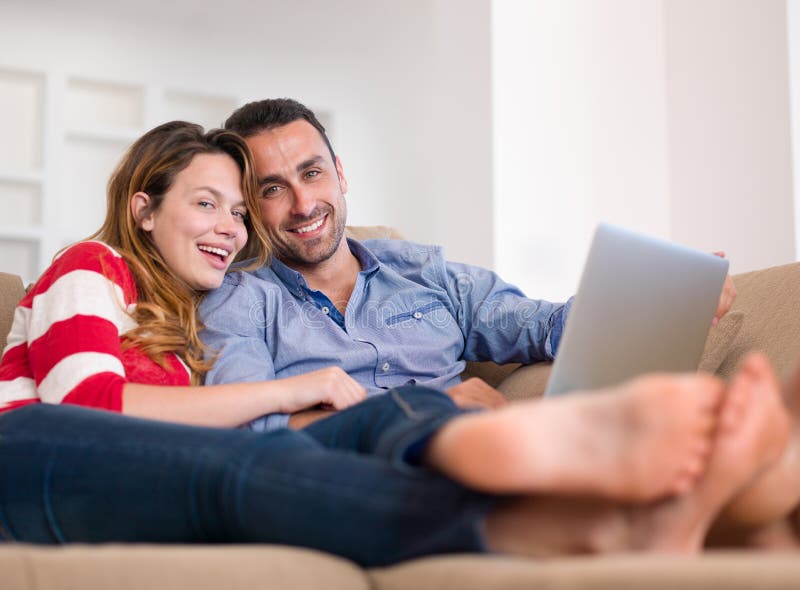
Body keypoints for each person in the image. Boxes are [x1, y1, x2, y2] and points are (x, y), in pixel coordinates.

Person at [0, 120, 788, 564]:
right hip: (28, 452)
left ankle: (617, 509)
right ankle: (578, 488)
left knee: (366, 423)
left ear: (340, 174)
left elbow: (536, 322)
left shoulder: (178, 323)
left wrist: (663, 296)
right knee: (244, 470)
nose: (231, 228)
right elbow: (92, 406)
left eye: (233, 212)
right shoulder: (101, 268)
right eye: (221, 203)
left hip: (129, 479)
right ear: (144, 209)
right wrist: (301, 386)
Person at [199, 97, 737, 431]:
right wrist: (424, 411)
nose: (303, 204)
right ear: (249, 204)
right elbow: (249, 427)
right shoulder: (239, 299)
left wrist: (668, 297)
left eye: (312, 173)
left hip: (485, 449)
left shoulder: (424, 273)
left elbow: (547, 326)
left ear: (340, 174)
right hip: (376, 471)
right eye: (273, 188)